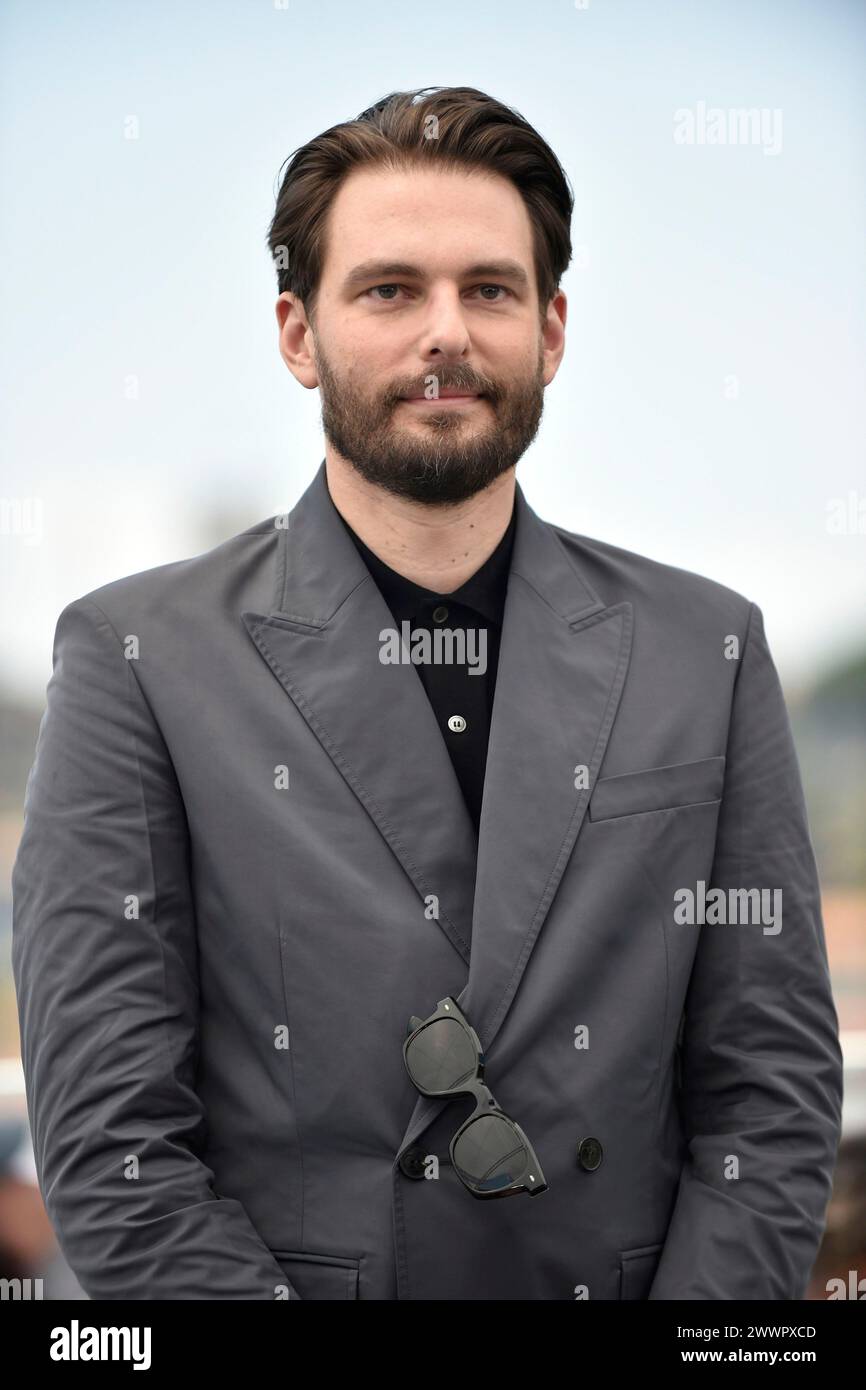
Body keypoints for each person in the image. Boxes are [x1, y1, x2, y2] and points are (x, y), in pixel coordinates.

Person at [12, 86, 843, 1300]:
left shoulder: (703, 648)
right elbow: (112, 1146)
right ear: (298, 333)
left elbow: (766, 1095)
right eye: (389, 289)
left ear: (551, 330)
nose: (445, 332)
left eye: (489, 289)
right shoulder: (135, 657)